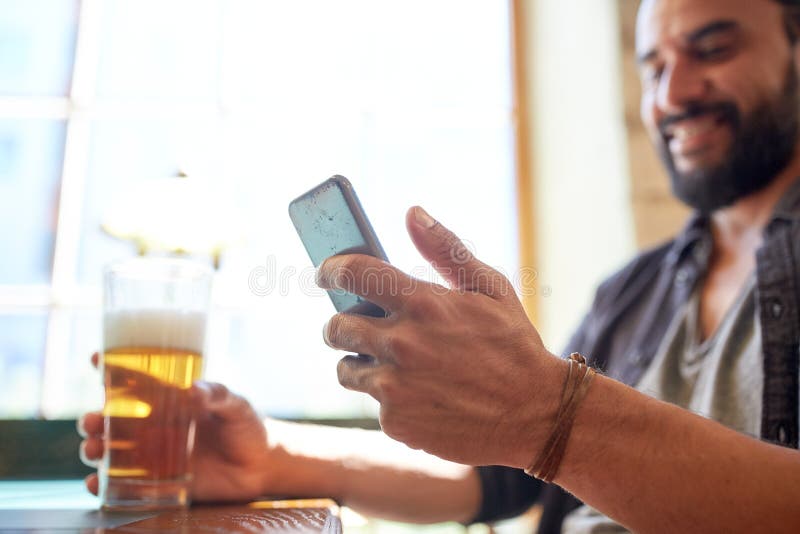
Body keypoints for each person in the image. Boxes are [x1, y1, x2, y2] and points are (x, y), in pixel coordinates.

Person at [79, 0, 800, 532]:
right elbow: (499, 478)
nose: (671, 94)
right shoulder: (636, 289)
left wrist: (550, 412)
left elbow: (542, 435)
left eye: (711, 49)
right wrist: (270, 457)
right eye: (653, 66)